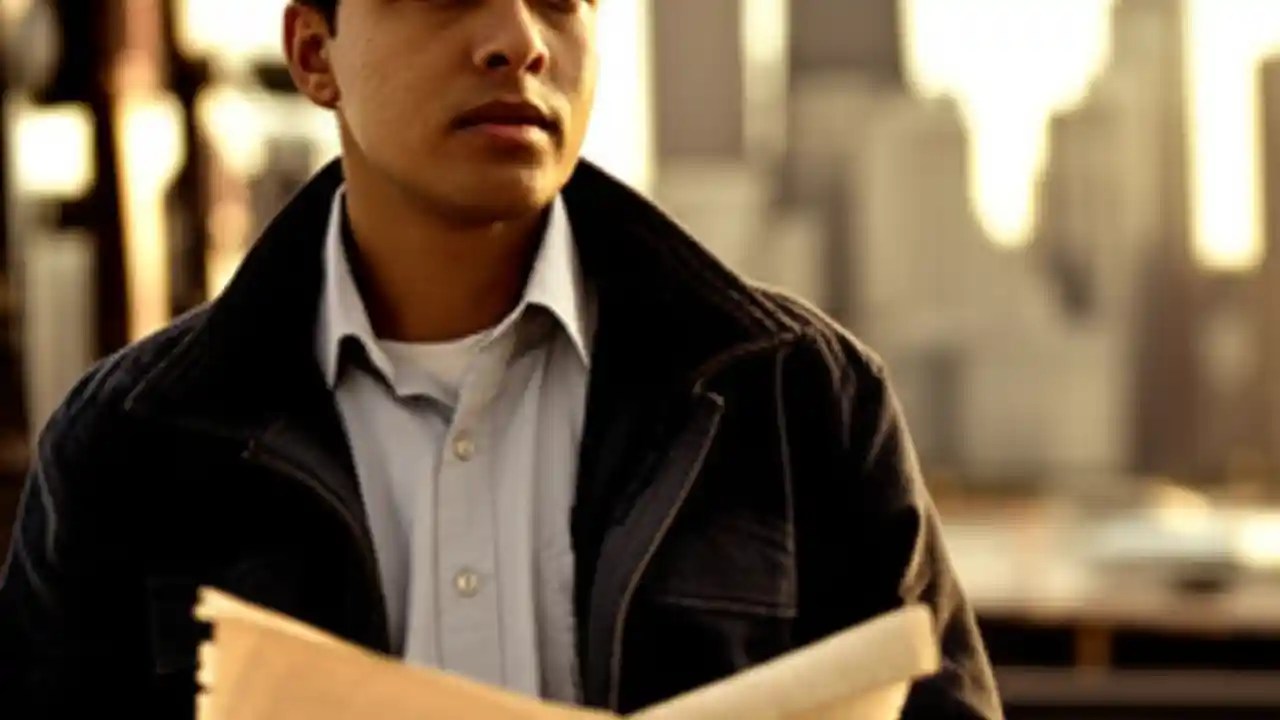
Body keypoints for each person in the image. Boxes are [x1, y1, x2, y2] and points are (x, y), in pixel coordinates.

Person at [0, 1, 1002, 717]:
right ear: (316, 53)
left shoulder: (795, 400)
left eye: (561, 3)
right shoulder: (129, 445)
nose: (518, 40)